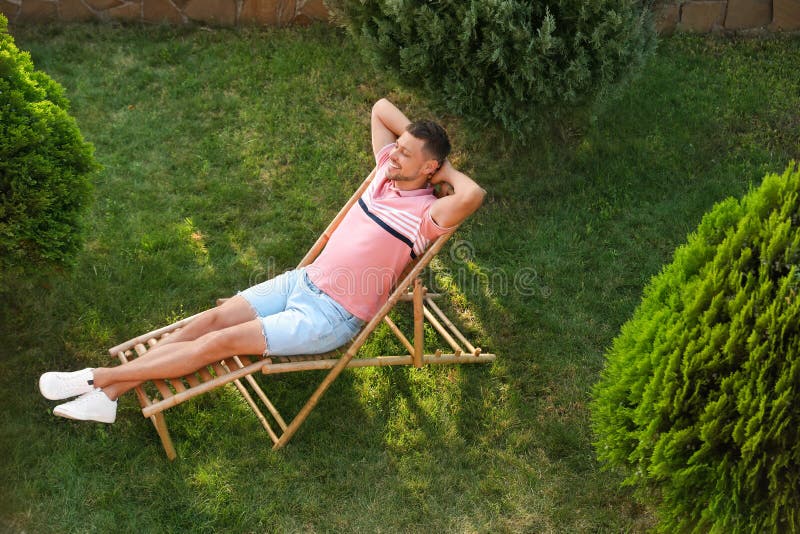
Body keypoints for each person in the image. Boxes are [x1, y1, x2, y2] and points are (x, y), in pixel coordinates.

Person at [38, 98, 486, 423]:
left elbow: (474, 195)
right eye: (398, 146)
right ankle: (109, 395)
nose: (394, 155)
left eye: (406, 154)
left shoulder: (427, 215)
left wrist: (443, 170)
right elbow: (381, 108)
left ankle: (99, 378)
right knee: (211, 320)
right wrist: (415, 146)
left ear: (429, 169)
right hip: (302, 280)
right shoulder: (384, 173)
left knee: (218, 343)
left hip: (331, 316)